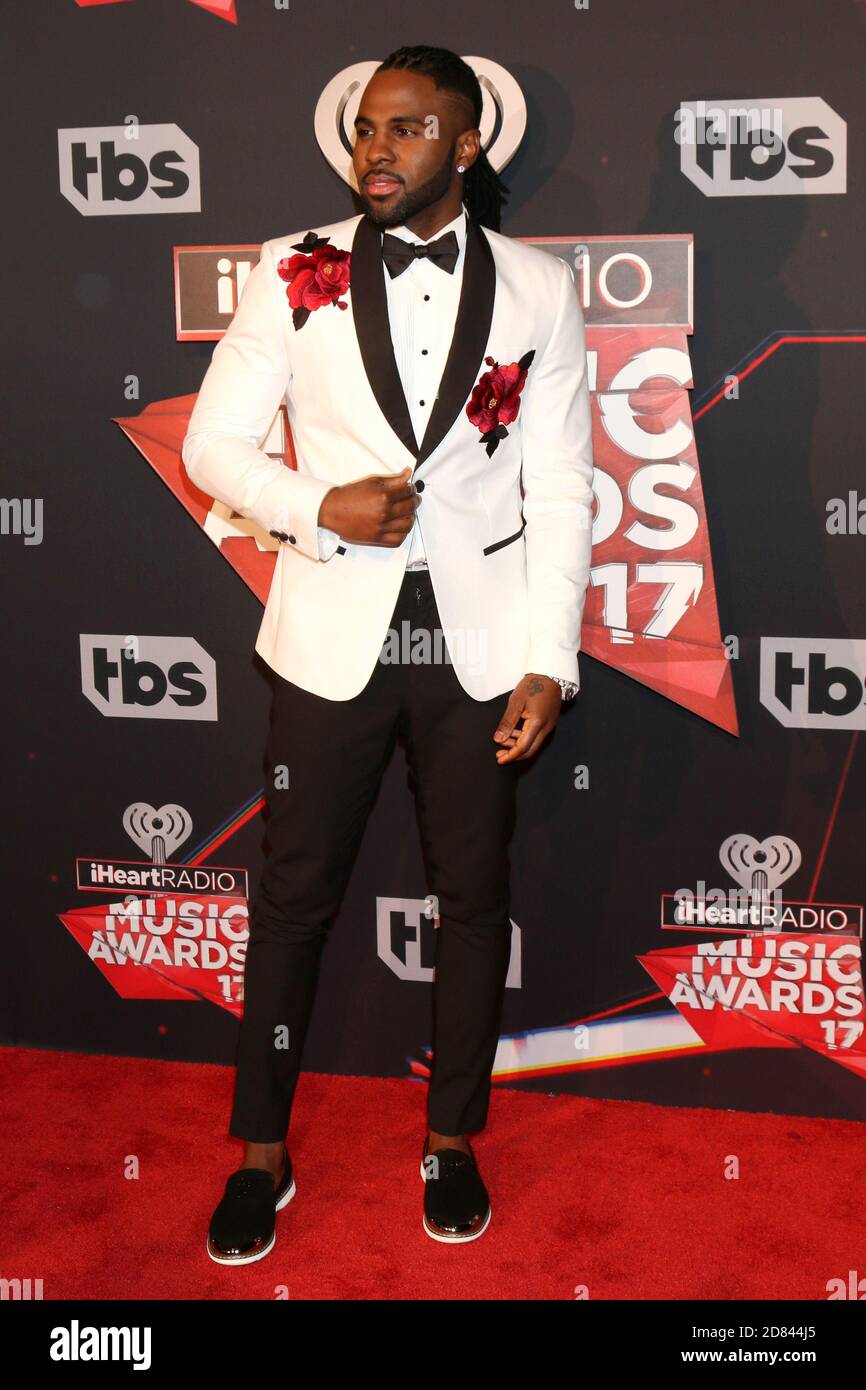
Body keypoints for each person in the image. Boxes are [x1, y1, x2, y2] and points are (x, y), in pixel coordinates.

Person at [181, 44, 594, 1264]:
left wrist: (548, 656)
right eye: (369, 126)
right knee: (292, 903)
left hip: (474, 642)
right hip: (329, 639)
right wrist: (320, 508)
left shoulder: (538, 287)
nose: (379, 145)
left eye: (411, 129)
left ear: (466, 147)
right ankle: (261, 1155)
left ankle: (449, 1140)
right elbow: (213, 444)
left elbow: (563, 484)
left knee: (472, 902)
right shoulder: (293, 269)